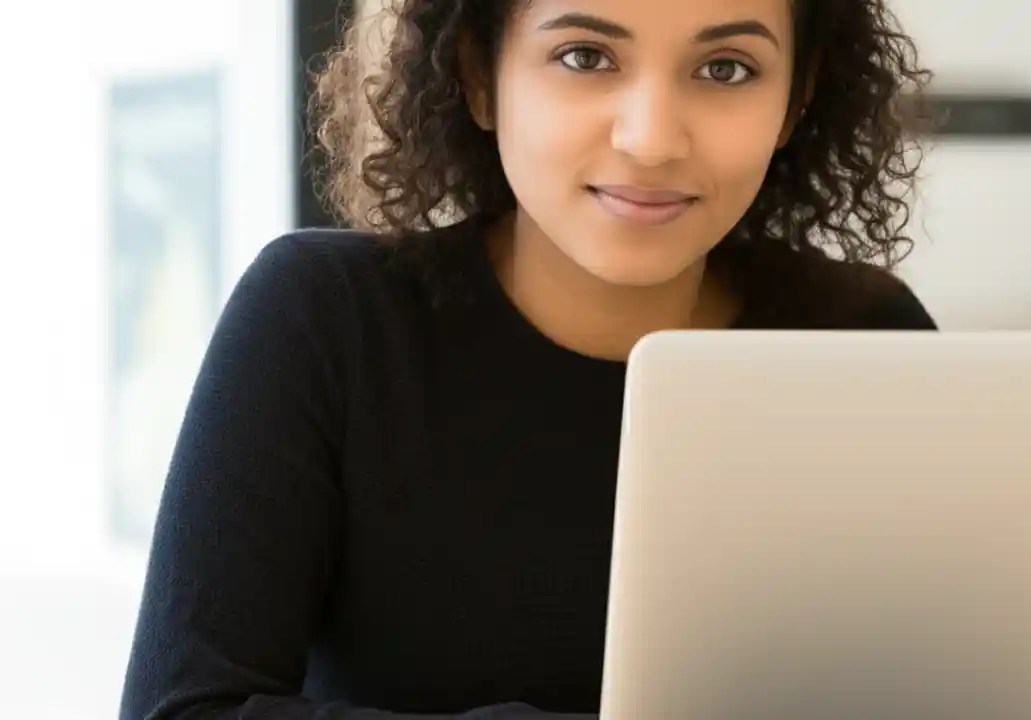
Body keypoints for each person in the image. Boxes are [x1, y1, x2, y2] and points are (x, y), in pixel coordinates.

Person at [120, 0, 936, 717]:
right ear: (479, 75)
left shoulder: (864, 343)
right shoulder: (326, 320)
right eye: (585, 56)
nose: (650, 138)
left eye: (725, 68)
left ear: (795, 99)